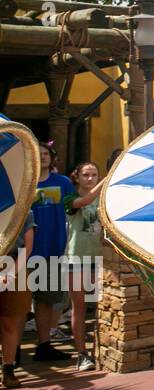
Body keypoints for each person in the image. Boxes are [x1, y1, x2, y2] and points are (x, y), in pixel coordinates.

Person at [30, 143, 74, 362]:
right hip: (24, 253)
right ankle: (12, 352)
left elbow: (75, 207)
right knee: (16, 306)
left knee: (46, 301)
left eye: (46, 153)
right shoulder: (23, 184)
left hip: (53, 251)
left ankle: (44, 344)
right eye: (38, 154)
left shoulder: (63, 183)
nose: (43, 157)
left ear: (51, 157)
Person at [65, 161, 106, 372]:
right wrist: (106, 181)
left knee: (103, 306)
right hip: (76, 258)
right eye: (86, 175)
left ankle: (102, 349)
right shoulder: (69, 198)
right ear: (77, 177)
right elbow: (84, 202)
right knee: (79, 306)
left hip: (101, 258)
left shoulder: (106, 199)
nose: (90, 179)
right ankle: (81, 354)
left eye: (95, 175)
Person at [1, 210, 35, 388]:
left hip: (14, 266)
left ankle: (8, 368)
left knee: (10, 322)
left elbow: (27, 247)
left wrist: (10, 274)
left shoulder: (24, 210)